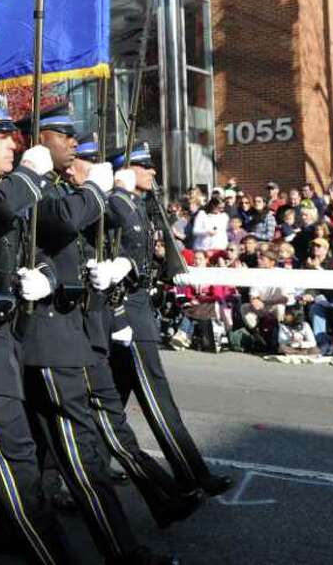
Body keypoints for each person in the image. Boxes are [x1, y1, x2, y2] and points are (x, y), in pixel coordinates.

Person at [15, 107, 177, 565]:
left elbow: (90, 240)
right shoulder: (32, 188)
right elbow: (63, 222)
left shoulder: (58, 188)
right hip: (48, 335)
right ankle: (122, 548)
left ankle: (16, 530)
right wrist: (102, 189)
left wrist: (114, 267)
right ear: (37, 137)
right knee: (77, 447)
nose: (73, 142)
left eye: (75, 137)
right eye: (63, 134)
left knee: (44, 444)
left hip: (77, 329)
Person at [0, 92, 70, 564]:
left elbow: (37, 251)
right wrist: (30, 174)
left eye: (12, 136)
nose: (12, 143)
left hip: (10, 340)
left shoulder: (10, 189)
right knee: (17, 460)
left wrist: (46, 277)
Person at [111, 143, 233, 501]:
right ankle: (194, 475)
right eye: (145, 165)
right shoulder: (117, 205)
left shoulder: (142, 206)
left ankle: (78, 471)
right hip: (127, 313)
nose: (153, 172)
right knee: (157, 398)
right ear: (126, 169)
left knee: (110, 401)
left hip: (140, 307)